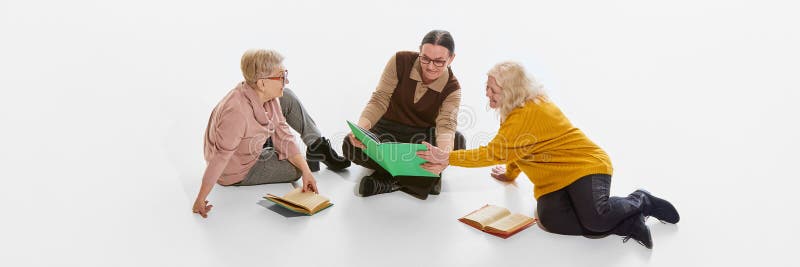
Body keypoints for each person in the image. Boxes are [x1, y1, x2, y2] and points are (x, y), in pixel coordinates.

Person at [417, 61, 679, 248]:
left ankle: (639, 201)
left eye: (493, 89)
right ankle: (627, 224)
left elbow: (494, 152)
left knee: (595, 219)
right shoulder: (516, 111)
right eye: (487, 87)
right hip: (554, 181)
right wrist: (510, 174)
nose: (487, 93)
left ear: (511, 92)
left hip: (585, 166)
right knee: (550, 221)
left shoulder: (530, 112)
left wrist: (448, 157)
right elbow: (518, 148)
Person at [192, 49, 350, 218]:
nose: (286, 80)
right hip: (234, 168)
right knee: (294, 170)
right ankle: (268, 145)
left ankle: (317, 145)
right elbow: (221, 158)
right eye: (281, 77)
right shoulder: (236, 113)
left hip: (247, 143)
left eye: (285, 74)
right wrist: (200, 198)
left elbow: (285, 138)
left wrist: (308, 172)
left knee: (286, 97)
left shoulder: (269, 98)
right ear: (261, 83)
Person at [343, 30, 466, 200]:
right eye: (425, 58)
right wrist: (361, 132)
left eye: (439, 61)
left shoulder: (452, 88)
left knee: (457, 144)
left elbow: (446, 125)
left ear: (451, 59)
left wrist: (443, 157)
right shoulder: (399, 61)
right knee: (349, 144)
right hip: (387, 129)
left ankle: (387, 180)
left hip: (419, 137)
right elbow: (379, 99)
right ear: (420, 51)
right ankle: (421, 180)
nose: (430, 66)